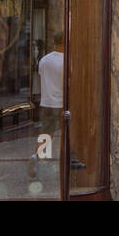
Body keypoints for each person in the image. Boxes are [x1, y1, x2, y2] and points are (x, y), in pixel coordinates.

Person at [38, 31, 65, 159]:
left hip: (46, 102)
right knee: (67, 132)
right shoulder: (67, 60)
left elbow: (41, 79)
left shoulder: (44, 60)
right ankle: (65, 158)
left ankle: (40, 157)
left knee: (46, 132)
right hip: (61, 103)